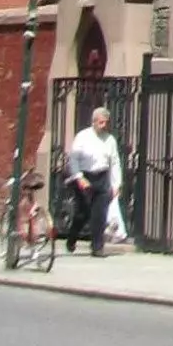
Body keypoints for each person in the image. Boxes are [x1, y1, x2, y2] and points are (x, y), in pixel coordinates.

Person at [62, 105, 117, 256]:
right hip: (84, 176)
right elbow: (73, 159)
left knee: (100, 213)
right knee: (83, 213)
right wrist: (79, 178)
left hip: (102, 177)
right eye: (101, 122)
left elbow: (115, 162)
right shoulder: (83, 137)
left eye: (106, 122)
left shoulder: (110, 140)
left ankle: (97, 247)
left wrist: (116, 183)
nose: (104, 125)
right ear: (93, 122)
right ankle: (72, 237)